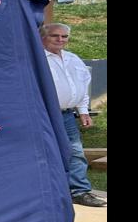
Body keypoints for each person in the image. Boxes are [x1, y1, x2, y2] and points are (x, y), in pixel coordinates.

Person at [40, 22, 107, 208]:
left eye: (64, 36)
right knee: (45, 153)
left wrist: (83, 111)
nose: (60, 40)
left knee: (76, 153)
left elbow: (82, 86)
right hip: (44, 115)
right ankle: (48, 194)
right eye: (55, 36)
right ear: (43, 37)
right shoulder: (37, 60)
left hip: (68, 115)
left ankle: (79, 192)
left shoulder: (73, 59)